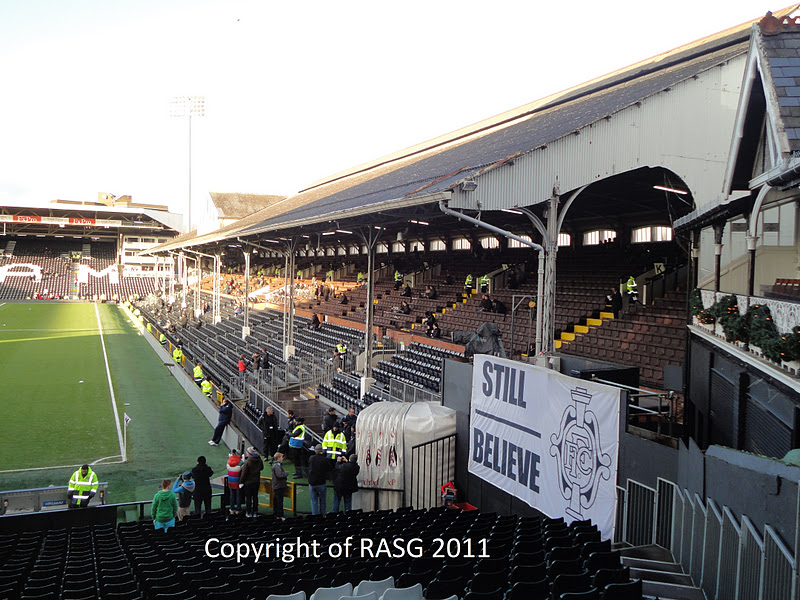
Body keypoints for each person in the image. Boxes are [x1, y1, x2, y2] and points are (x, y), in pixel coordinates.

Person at [308, 445, 332, 516]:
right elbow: (329, 469)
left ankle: (315, 516)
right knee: (323, 501)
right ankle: (323, 516)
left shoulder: (311, 458)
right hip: (321, 482)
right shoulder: (325, 459)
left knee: (314, 501)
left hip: (312, 482)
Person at [240, 447, 264, 518]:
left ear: (249, 453)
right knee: (255, 497)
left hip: (248, 482)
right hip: (256, 481)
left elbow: (244, 473)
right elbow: (262, 468)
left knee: (248, 498)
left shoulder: (247, 462)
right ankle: (255, 512)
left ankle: (248, 512)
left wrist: (241, 481)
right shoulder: (259, 460)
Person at [226, 449, 243, 516]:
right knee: (238, 495)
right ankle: (238, 509)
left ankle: (232, 508)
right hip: (238, 480)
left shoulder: (229, 461)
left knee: (232, 494)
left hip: (230, 480)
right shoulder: (241, 462)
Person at [272, 452, 288, 519]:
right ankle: (280, 514)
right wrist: (286, 473)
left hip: (276, 485)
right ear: (278, 458)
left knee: (276, 500)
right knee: (279, 501)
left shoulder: (276, 465)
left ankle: (276, 513)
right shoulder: (277, 466)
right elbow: (280, 475)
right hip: (279, 485)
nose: (283, 458)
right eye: (282, 457)